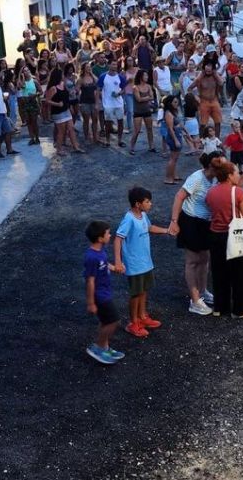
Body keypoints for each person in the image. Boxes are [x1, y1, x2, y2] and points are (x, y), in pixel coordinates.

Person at [113, 187, 170, 338]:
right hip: (134, 264)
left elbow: (149, 227)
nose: (150, 204)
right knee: (136, 293)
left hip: (145, 262)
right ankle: (133, 323)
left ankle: (142, 317)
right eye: (147, 201)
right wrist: (118, 261)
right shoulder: (129, 219)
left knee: (144, 290)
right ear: (138, 204)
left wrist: (166, 230)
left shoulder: (143, 215)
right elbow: (118, 238)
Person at [168, 151, 219, 316]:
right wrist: (174, 221)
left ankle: (203, 291)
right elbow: (179, 196)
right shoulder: (196, 178)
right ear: (210, 165)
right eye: (220, 163)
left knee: (205, 258)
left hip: (206, 223)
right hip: (190, 221)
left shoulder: (217, 177)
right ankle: (195, 299)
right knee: (192, 261)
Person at [205, 161, 243, 318]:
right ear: (229, 175)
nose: (238, 175)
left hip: (215, 235)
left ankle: (220, 307)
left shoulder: (211, 192)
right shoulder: (238, 192)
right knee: (240, 273)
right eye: (236, 172)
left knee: (219, 272)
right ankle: (240, 309)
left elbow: (210, 208)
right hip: (234, 236)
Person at [83, 220, 125, 365]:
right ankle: (99, 347)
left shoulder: (100, 252)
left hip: (105, 292)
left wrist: (114, 268)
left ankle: (105, 347)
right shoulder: (91, 257)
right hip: (100, 296)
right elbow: (90, 281)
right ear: (100, 238)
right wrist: (90, 303)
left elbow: (104, 264)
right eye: (108, 233)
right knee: (114, 321)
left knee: (106, 320)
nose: (110, 235)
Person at [45, 68, 83, 156]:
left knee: (71, 129)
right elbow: (47, 100)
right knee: (61, 131)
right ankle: (59, 149)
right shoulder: (53, 88)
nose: (63, 76)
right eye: (61, 75)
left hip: (66, 110)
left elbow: (66, 97)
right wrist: (57, 104)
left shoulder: (63, 84)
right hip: (58, 112)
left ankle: (76, 147)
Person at [127, 70, 157, 155]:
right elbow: (139, 99)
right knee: (137, 130)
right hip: (138, 111)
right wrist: (148, 98)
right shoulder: (135, 87)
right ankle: (132, 147)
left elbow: (152, 97)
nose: (147, 77)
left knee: (150, 129)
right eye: (145, 76)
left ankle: (151, 146)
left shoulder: (148, 86)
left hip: (146, 110)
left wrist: (145, 98)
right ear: (141, 77)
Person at [100, 62, 127, 148]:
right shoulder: (103, 76)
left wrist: (119, 94)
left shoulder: (120, 77)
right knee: (108, 122)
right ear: (109, 65)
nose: (114, 66)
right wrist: (97, 102)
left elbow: (124, 89)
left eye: (115, 64)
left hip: (118, 103)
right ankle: (107, 141)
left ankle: (120, 140)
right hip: (108, 104)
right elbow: (98, 89)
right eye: (112, 64)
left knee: (120, 121)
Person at [195, 60, 225, 137]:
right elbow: (190, 88)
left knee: (218, 122)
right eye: (207, 66)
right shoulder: (200, 77)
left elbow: (221, 83)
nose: (208, 68)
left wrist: (215, 73)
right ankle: (201, 139)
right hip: (204, 101)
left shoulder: (215, 76)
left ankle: (217, 140)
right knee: (203, 124)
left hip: (214, 100)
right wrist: (196, 97)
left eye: (210, 66)